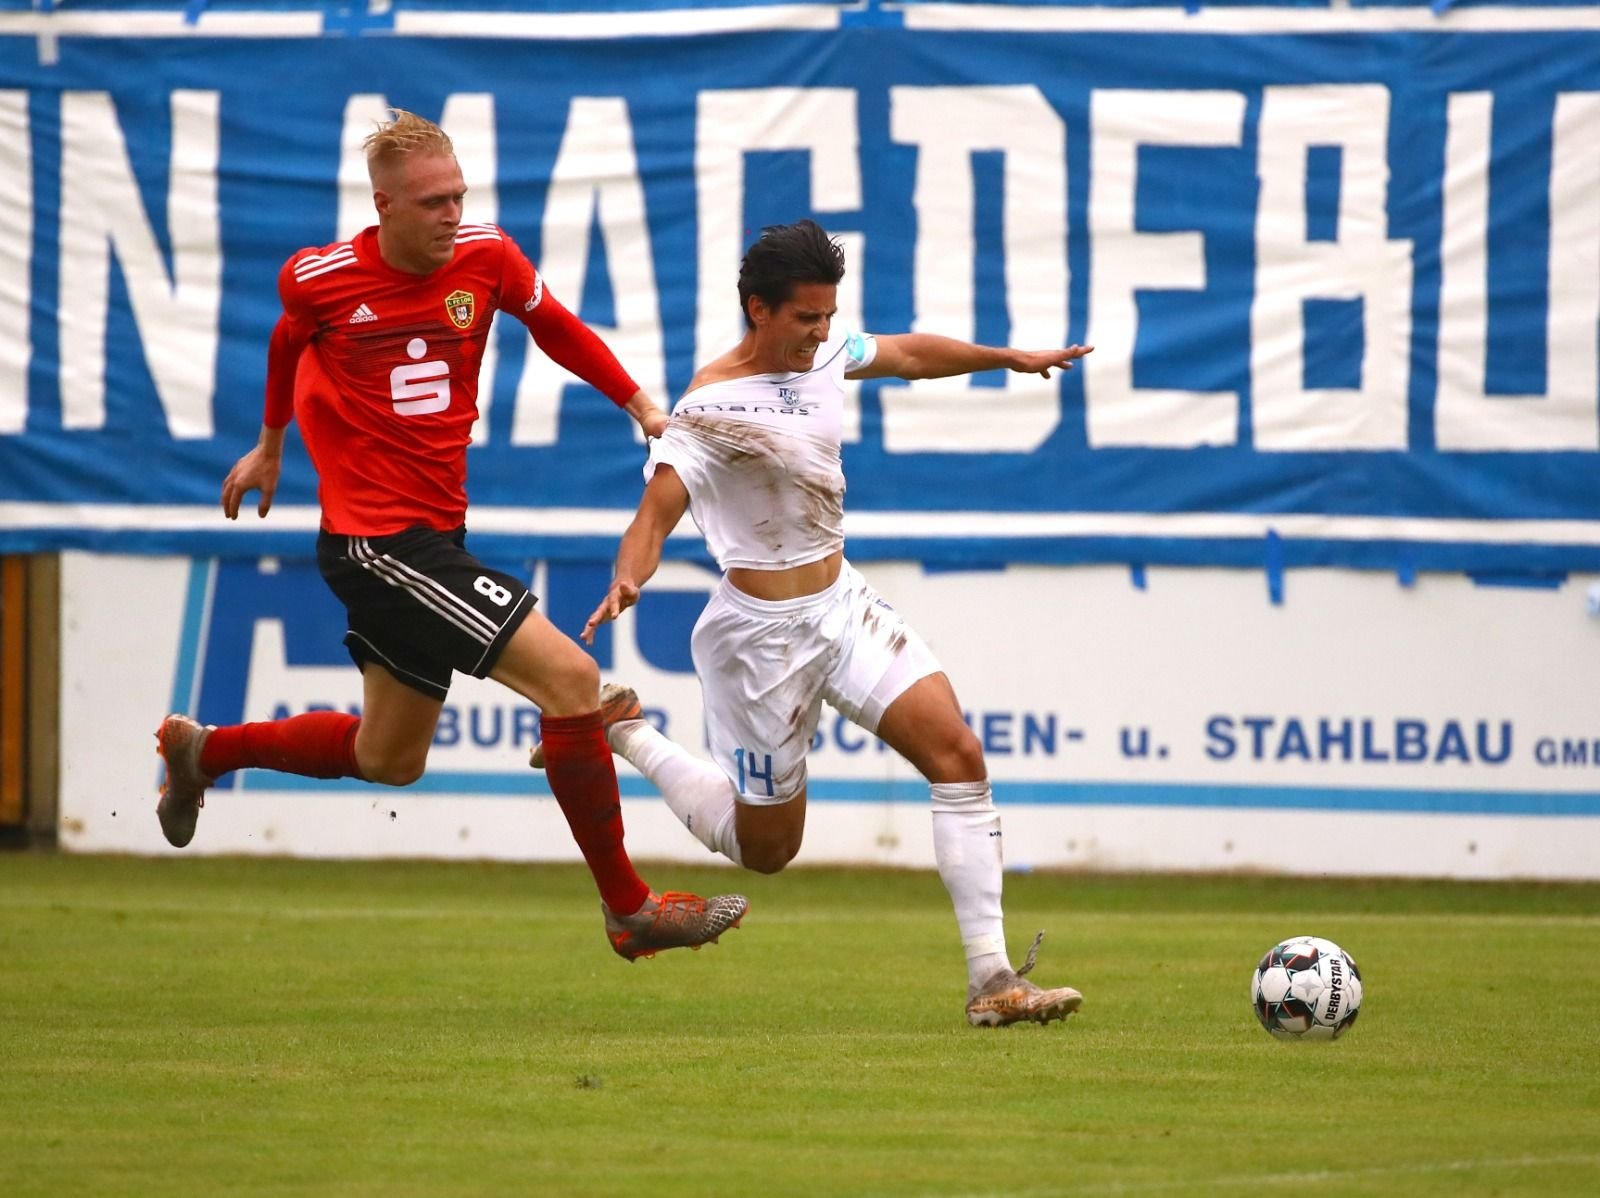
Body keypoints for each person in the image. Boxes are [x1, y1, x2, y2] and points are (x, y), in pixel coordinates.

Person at [154, 109, 746, 962]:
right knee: (574, 679)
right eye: (432, 201)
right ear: (383, 205)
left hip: (436, 535)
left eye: (458, 195)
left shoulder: (487, 257)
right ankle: (630, 910)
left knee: (389, 756)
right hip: (378, 543)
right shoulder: (318, 279)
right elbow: (289, 340)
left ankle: (205, 750)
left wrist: (641, 405)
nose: (450, 214)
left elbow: (557, 327)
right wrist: (273, 445)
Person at [535, 219, 1093, 1024]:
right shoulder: (709, 405)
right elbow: (654, 517)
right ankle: (626, 731)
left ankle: (993, 983)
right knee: (767, 851)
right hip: (760, 639)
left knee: (958, 754)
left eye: (829, 316)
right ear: (757, 310)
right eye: (805, 317)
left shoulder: (828, 353)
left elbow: (906, 354)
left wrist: (1005, 358)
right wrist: (629, 579)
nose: (821, 333)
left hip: (842, 606)